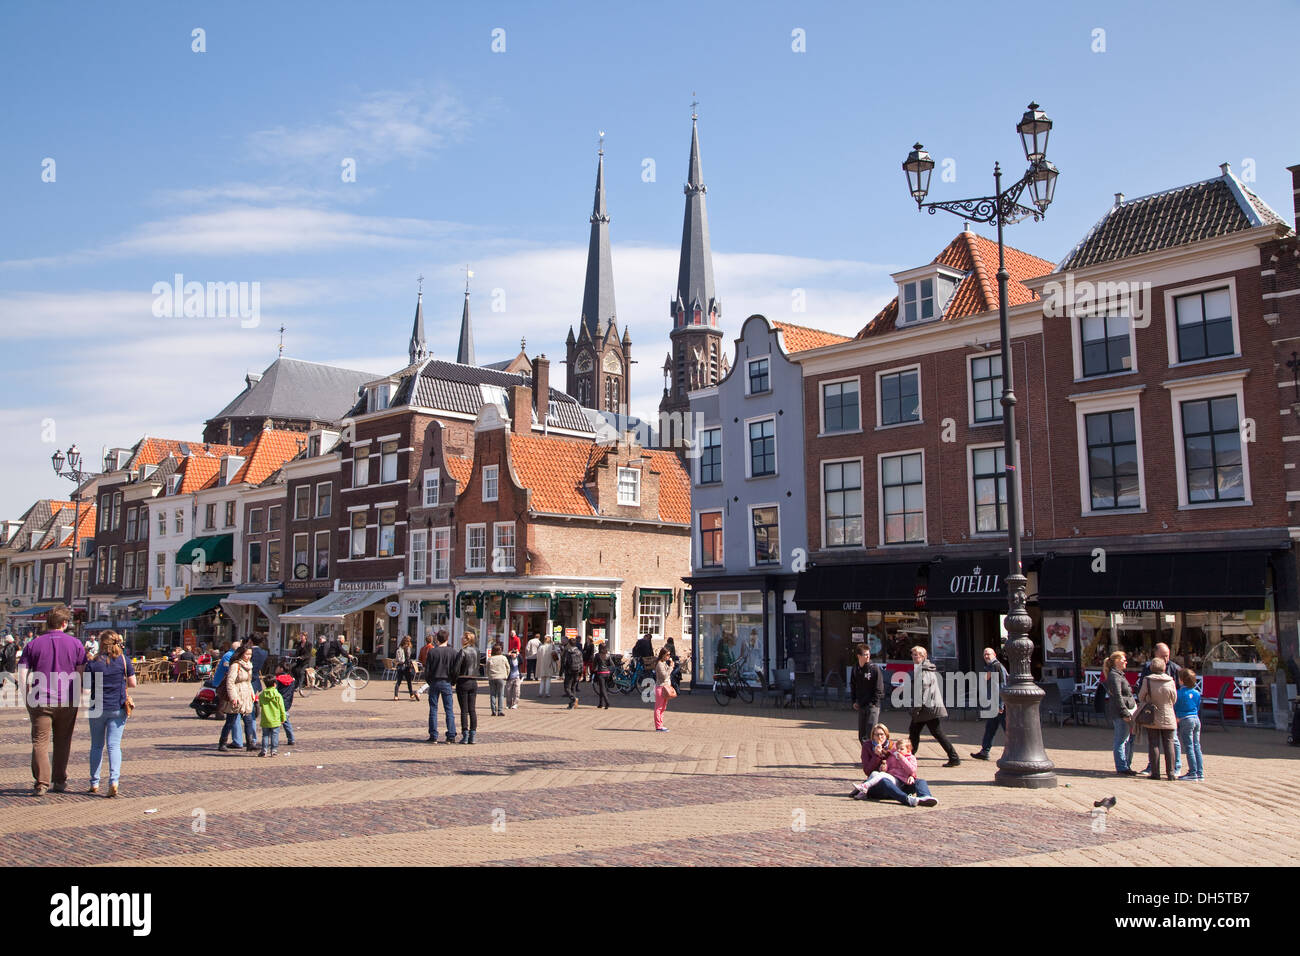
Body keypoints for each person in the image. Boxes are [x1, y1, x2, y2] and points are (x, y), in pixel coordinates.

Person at [21, 606, 87, 796]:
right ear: (64, 623)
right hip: (67, 699)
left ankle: (42, 782)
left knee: (39, 741)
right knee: (63, 740)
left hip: (41, 699)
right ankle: (59, 780)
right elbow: (80, 672)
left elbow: (23, 673)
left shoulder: (33, 644)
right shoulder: (76, 644)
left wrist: (27, 695)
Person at [85, 630, 135, 797]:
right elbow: (132, 683)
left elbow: (86, 689)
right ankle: (114, 781)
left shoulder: (93, 663)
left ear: (101, 643)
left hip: (97, 707)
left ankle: (94, 782)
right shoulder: (123, 660)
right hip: (117, 706)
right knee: (114, 746)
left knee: (96, 746)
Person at [855, 723, 938, 807]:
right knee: (881, 778)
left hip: (900, 782)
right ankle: (907, 799)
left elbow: (911, 766)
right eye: (876, 735)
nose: (880, 737)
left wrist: (912, 775)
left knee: (920, 781)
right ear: (872, 736)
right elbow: (868, 771)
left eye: (882, 734)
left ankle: (925, 797)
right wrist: (877, 756)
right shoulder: (867, 746)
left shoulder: (893, 747)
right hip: (879, 784)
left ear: (886, 735)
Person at [906, 646, 960, 767]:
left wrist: (916, 710)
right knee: (930, 732)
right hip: (930, 708)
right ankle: (953, 757)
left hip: (926, 709)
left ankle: (909, 757)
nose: (915, 657)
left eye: (917, 655)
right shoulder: (926, 668)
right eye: (913, 654)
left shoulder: (923, 671)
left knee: (916, 732)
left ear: (924, 656)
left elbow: (922, 692)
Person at [1136, 643, 1182, 775]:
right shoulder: (1149, 669)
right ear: (1155, 654)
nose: (1166, 658)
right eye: (1163, 656)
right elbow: (1174, 696)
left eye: (1167, 656)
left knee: (1168, 742)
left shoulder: (1174, 668)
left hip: (1163, 712)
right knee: (1164, 743)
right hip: (1163, 712)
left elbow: (1141, 695)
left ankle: (1174, 767)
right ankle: (1167, 771)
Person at [1102, 650, 1138, 775]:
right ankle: (1122, 767)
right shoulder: (1114, 676)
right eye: (1123, 659)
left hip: (1128, 709)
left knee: (1128, 739)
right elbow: (1117, 696)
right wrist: (1124, 713)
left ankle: (1126, 764)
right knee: (1121, 740)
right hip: (1121, 712)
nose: (1125, 662)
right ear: (1116, 661)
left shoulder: (1119, 675)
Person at [970, 647, 1009, 760]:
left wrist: (1001, 704)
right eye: (985, 654)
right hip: (994, 703)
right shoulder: (992, 667)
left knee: (1007, 729)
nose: (986, 656)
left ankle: (1017, 750)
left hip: (999, 705)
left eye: (989, 654)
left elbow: (1001, 685)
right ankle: (984, 751)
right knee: (990, 728)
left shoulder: (996, 666)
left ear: (994, 654)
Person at [220, 644, 258, 753]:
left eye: (250, 654)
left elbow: (249, 682)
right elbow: (230, 682)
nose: (248, 656)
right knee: (230, 721)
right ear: (241, 654)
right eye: (247, 654)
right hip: (237, 694)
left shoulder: (249, 665)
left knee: (249, 720)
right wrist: (233, 697)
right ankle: (222, 743)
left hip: (246, 695)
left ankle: (250, 743)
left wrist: (252, 695)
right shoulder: (235, 666)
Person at [425, 631, 458, 743]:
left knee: (433, 709)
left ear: (437, 639)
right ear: (447, 639)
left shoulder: (432, 652)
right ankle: (451, 735)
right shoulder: (453, 652)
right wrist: (453, 681)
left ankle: (433, 735)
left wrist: (429, 681)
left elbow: (427, 670)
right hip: (447, 681)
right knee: (449, 709)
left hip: (434, 681)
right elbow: (455, 670)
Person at [850, 643, 885, 743]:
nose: (868, 656)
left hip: (872, 705)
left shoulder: (874, 668)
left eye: (869, 654)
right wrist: (854, 701)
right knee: (862, 735)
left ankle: (875, 756)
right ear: (859, 656)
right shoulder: (855, 669)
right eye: (865, 654)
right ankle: (867, 756)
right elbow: (853, 686)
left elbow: (879, 688)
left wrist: (874, 702)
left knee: (871, 733)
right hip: (861, 704)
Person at [1175, 668, 1204, 781]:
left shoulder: (1179, 693)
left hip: (1185, 719)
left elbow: (1176, 707)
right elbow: (1197, 706)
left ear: (1181, 680)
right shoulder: (1196, 693)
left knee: (1189, 746)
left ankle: (1192, 772)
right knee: (1197, 746)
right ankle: (1199, 772)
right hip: (1196, 719)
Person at [455, 635, 480, 744]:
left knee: (464, 710)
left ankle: (465, 735)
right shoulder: (477, 651)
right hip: (473, 681)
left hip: (463, 680)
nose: (461, 639)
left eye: (463, 638)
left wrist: (453, 680)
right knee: (472, 709)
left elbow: (456, 668)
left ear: (467, 640)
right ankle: (473, 735)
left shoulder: (463, 651)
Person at [258, 671, 287, 757]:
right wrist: (283, 718)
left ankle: (264, 750)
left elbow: (260, 704)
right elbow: (282, 708)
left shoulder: (262, 695)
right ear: (275, 684)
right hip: (275, 719)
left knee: (265, 735)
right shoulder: (277, 695)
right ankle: (274, 750)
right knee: (275, 735)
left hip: (265, 719)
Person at [273, 667, 298, 747]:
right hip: (287, 703)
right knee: (286, 721)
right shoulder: (292, 680)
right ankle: (291, 738)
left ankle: (274, 741)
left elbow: (275, 692)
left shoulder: (277, 680)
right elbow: (291, 692)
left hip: (278, 703)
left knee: (276, 723)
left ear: (281, 669)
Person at [653, 646, 674, 732]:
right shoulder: (659, 664)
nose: (668, 656)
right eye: (667, 655)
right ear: (663, 655)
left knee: (663, 707)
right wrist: (671, 667)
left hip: (665, 687)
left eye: (669, 655)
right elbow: (664, 676)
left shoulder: (664, 663)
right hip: (661, 688)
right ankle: (658, 726)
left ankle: (661, 724)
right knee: (659, 707)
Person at [486, 643, 509, 716]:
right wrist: (506, 675)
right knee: (501, 695)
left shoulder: (490, 659)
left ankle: (493, 710)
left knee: (492, 694)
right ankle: (500, 711)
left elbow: (487, 669)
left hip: (492, 678)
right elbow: (508, 667)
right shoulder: (503, 658)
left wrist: (489, 676)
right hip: (501, 677)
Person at [393, 636, 417, 701]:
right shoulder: (408, 648)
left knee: (398, 681)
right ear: (409, 641)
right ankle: (411, 694)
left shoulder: (399, 647)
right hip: (406, 667)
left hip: (400, 666)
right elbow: (408, 657)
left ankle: (396, 695)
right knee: (409, 681)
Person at [562, 637, 584, 709]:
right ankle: (573, 704)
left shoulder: (567, 651)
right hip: (577, 671)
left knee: (567, 688)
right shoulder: (579, 652)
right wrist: (581, 672)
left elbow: (564, 662)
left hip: (569, 671)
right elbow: (581, 662)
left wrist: (562, 672)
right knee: (573, 687)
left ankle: (573, 699)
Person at [592, 643, 613, 710]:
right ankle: (600, 703)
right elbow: (612, 665)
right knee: (603, 688)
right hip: (607, 673)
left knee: (602, 688)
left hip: (601, 673)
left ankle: (607, 702)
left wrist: (593, 670)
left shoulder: (597, 655)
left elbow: (594, 665)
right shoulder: (608, 655)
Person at [505, 646, 522, 711]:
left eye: (514, 653)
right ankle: (508, 704)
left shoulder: (518, 659)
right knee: (508, 691)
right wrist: (508, 654)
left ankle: (515, 704)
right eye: (513, 653)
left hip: (517, 677)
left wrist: (518, 653)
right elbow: (505, 658)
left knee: (516, 691)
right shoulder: (509, 659)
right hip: (510, 677)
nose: (513, 654)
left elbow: (522, 661)